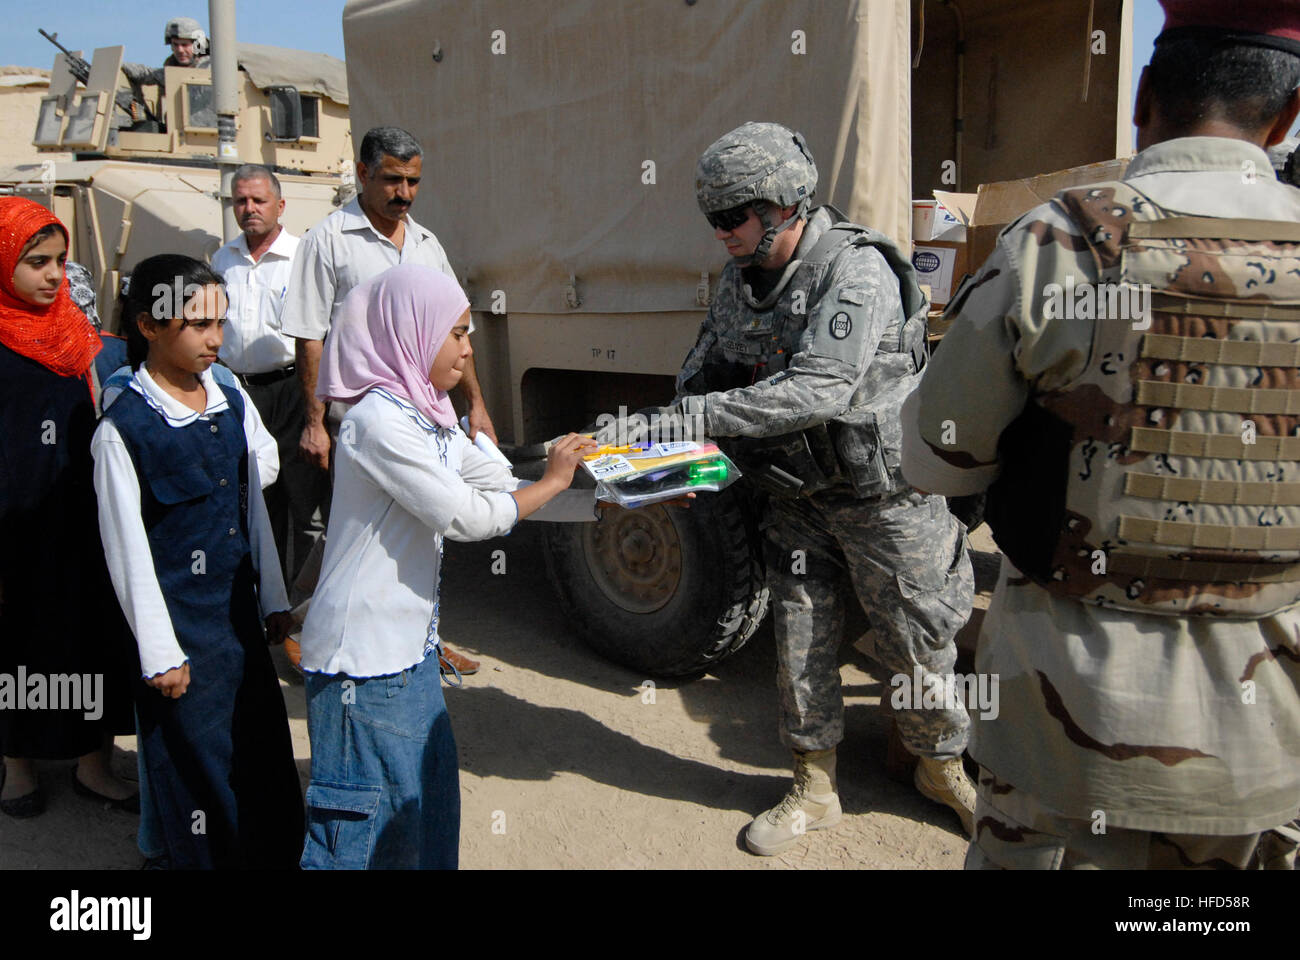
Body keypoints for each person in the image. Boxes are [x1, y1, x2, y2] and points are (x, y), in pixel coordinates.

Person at [901, 0, 1300, 869]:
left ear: (1143, 96)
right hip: (1264, 737)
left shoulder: (1059, 238)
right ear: (1290, 113)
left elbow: (937, 458)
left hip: (1066, 725)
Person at [603, 123, 976, 856]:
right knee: (800, 642)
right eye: (712, 221)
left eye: (732, 218)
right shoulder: (741, 282)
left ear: (782, 205)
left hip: (884, 500)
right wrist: (664, 452)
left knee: (918, 643)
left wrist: (697, 414)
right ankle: (814, 785)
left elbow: (820, 388)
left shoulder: (855, 271)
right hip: (797, 497)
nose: (721, 235)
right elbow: (701, 373)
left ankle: (942, 768)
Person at [299, 263, 597, 869]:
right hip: (363, 662)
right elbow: (468, 516)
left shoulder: (426, 411)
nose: (467, 349)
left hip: (409, 655)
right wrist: (554, 480)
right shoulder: (375, 422)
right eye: (457, 332)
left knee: (425, 815)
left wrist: (623, 493)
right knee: (363, 835)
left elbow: (507, 484)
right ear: (409, 332)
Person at [91, 254, 303, 868]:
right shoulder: (123, 429)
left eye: (221, 322)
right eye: (196, 324)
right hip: (183, 639)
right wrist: (160, 652)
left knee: (260, 758)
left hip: (239, 624)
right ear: (149, 326)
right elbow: (126, 551)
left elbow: (251, 508)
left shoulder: (230, 403)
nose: (216, 339)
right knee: (198, 778)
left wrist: (274, 600)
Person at [280, 125, 493, 676]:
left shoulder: (425, 244)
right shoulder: (327, 240)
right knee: (349, 537)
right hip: (361, 422)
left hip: (425, 420)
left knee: (418, 537)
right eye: (393, 180)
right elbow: (309, 335)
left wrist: (478, 407)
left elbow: (453, 331)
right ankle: (312, 632)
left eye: (413, 181)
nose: (404, 193)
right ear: (362, 174)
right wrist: (315, 423)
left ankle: (424, 637)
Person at [0, 198, 138, 818]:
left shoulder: (80, 337)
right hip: (13, 527)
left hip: (82, 520)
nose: (54, 275)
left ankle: (92, 763)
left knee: (90, 639)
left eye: (60, 261)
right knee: (17, 647)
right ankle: (18, 768)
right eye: (36, 262)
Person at [212, 165, 327, 624]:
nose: (249, 209)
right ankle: (269, 614)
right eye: (240, 201)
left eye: (258, 201)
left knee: (307, 511)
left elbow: (321, 334)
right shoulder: (221, 261)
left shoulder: (304, 258)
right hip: (241, 394)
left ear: (280, 206)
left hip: (295, 392)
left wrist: (318, 414)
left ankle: (306, 620)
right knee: (258, 506)